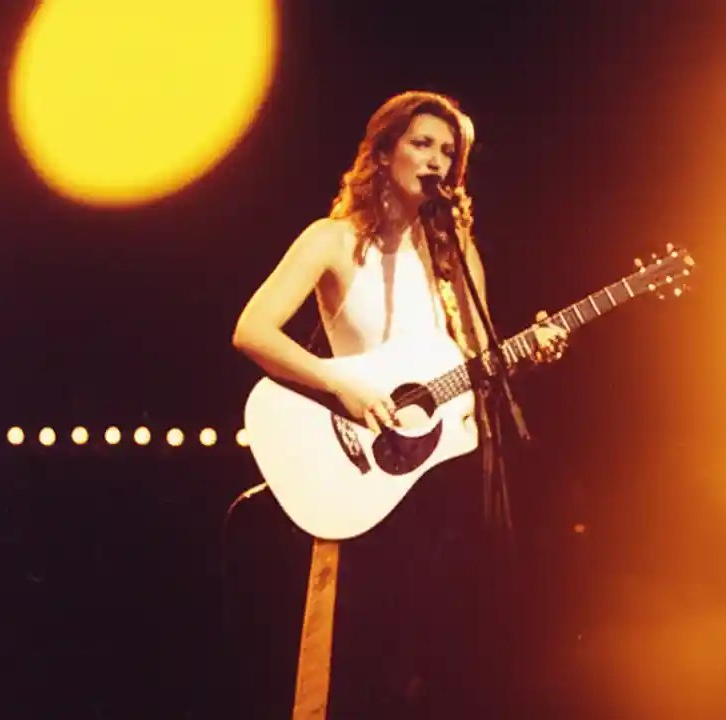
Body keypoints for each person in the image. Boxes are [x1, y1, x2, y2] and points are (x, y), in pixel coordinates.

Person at [230, 90, 567, 716]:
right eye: (422, 143)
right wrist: (340, 383)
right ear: (383, 153)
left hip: (443, 474)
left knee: (435, 659)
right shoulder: (330, 241)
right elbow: (252, 331)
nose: (437, 159)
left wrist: (528, 349)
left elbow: (478, 360)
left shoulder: (454, 257)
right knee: (362, 657)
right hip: (367, 472)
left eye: (448, 151)